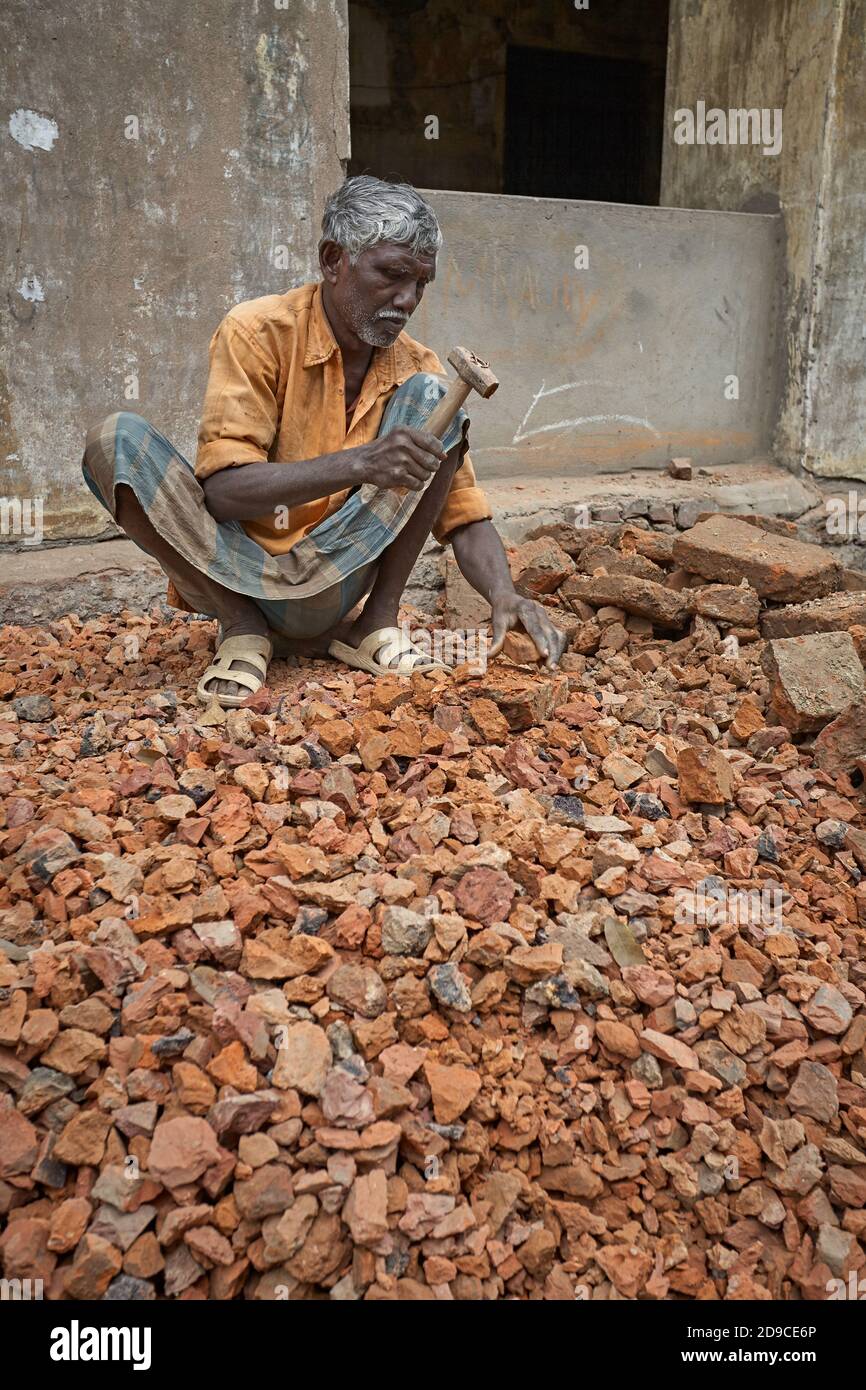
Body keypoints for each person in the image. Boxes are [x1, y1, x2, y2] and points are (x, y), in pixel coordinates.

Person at [82, 175, 567, 708]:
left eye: (421, 284)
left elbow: (465, 516)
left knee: (435, 395)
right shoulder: (256, 331)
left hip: (340, 575)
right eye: (392, 275)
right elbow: (221, 494)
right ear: (333, 260)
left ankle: (376, 625)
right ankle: (243, 628)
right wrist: (363, 462)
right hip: (234, 571)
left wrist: (504, 594)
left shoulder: (418, 369)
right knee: (116, 441)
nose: (407, 300)